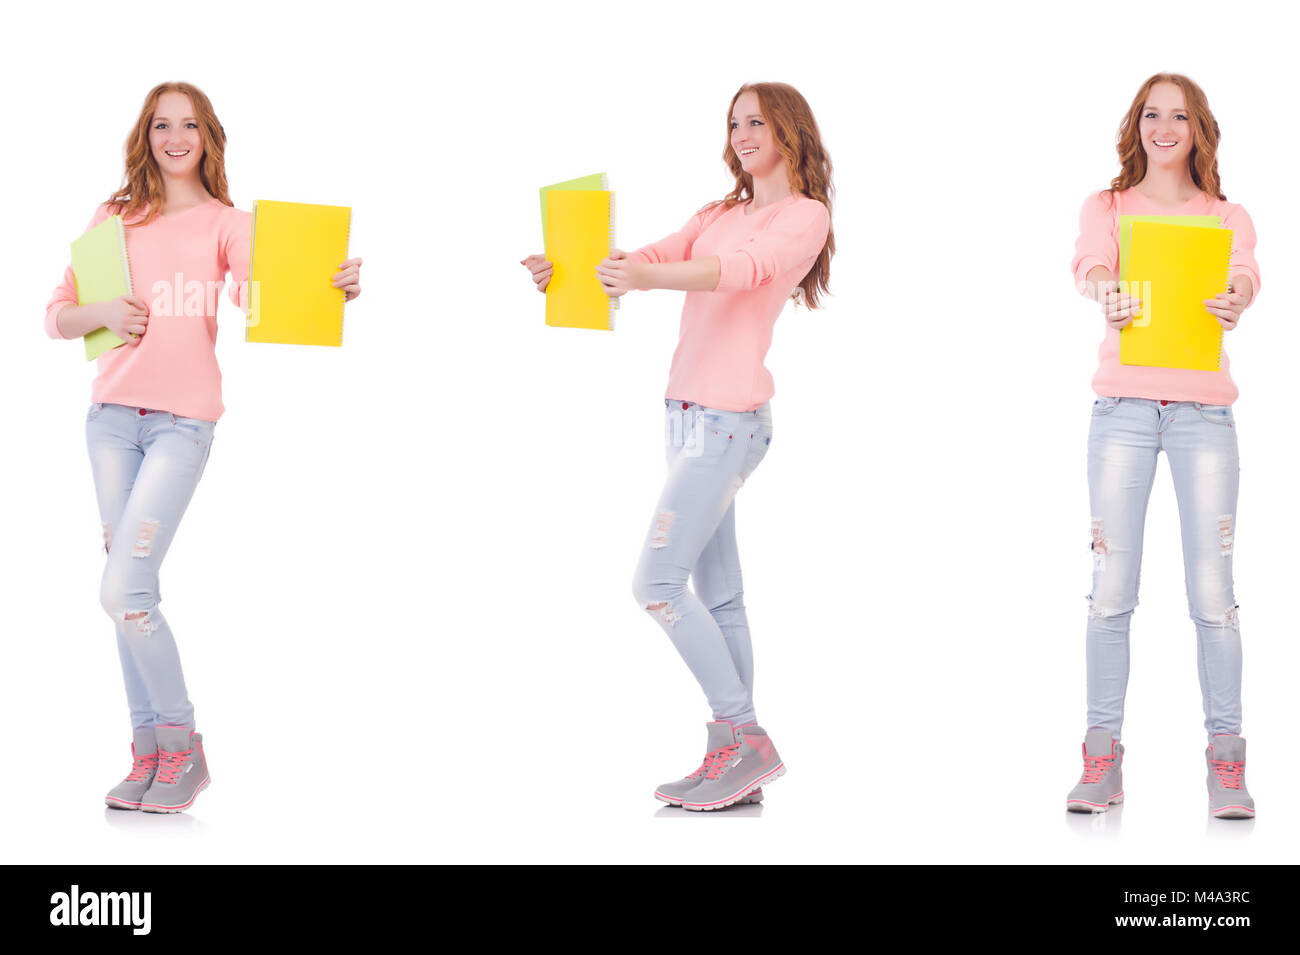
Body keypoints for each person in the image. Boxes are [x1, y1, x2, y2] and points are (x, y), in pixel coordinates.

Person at [45, 82, 363, 813]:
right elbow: (56, 316)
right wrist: (100, 311)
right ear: (146, 135)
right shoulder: (114, 216)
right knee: (129, 595)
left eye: (190, 124)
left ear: (209, 136)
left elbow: (270, 299)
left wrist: (334, 287)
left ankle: (183, 746)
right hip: (110, 422)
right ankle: (148, 752)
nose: (176, 136)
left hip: (181, 424)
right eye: (163, 124)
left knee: (123, 589)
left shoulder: (230, 223)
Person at [522, 82, 833, 810]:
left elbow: (739, 271)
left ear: (789, 130)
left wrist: (645, 276)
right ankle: (734, 759)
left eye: (757, 120)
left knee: (656, 584)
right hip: (685, 417)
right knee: (719, 597)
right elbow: (649, 255)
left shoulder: (804, 215)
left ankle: (748, 737)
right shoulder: (717, 211)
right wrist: (574, 270)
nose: (743, 132)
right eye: (734, 122)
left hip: (728, 421)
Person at [1066, 73, 1258, 819]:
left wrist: (1238, 295)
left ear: (1198, 128)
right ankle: (1101, 756)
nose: (1164, 125)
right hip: (1121, 412)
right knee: (1111, 591)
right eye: (1152, 113)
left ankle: (1228, 761)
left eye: (1179, 115)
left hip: (1203, 418)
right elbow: (1089, 262)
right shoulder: (1107, 206)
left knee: (1213, 597)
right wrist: (1104, 286)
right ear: (1136, 124)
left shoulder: (1227, 214)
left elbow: (1245, 272)